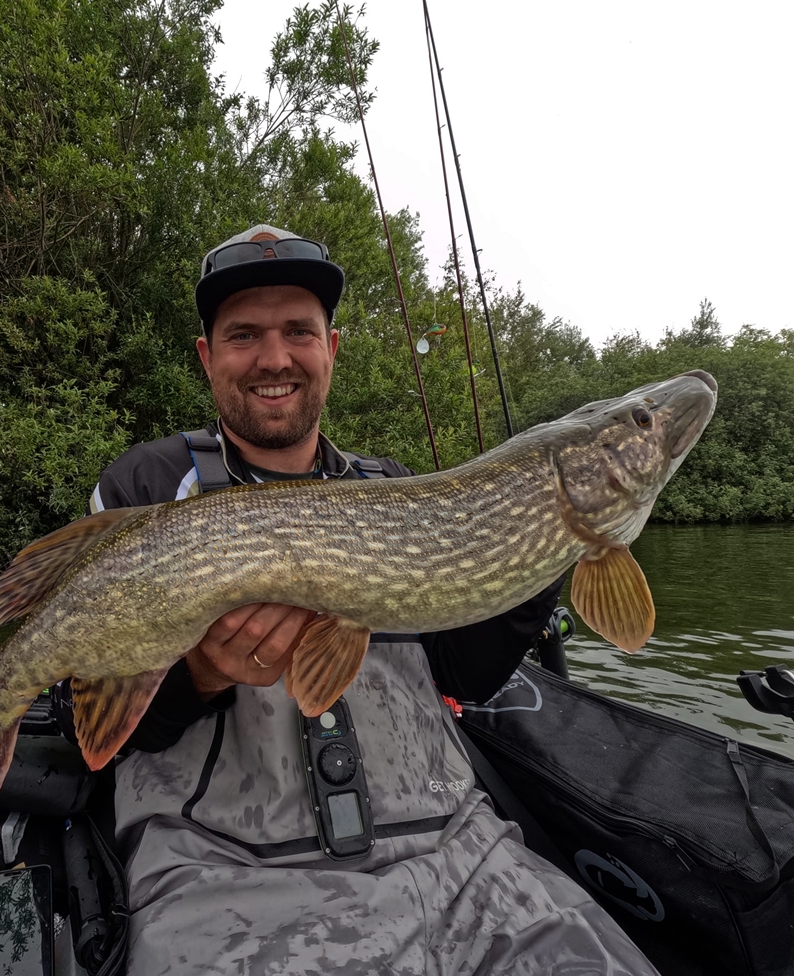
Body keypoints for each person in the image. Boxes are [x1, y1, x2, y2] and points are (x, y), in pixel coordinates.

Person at [90, 224, 658, 974]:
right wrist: (199, 674)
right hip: (228, 876)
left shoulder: (392, 488)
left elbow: (463, 672)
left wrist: (546, 547)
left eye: (299, 330)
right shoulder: (150, 487)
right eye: (243, 335)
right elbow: (97, 726)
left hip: (456, 856)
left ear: (332, 348)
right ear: (207, 355)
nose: (274, 357)